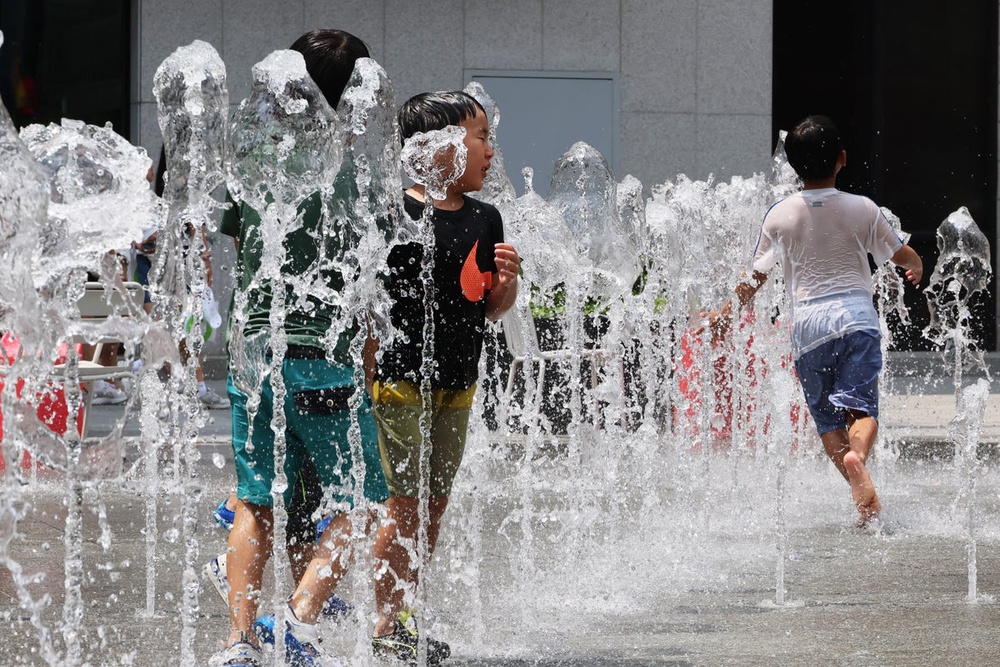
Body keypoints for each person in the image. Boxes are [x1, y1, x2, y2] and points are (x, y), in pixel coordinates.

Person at [209, 29, 389, 667]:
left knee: (255, 499)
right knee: (361, 501)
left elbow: (243, 253)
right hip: (324, 356)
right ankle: (300, 616)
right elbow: (372, 279)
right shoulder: (359, 172)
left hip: (252, 353)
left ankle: (239, 642)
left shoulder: (253, 161)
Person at [709, 115, 922, 527]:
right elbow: (901, 254)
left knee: (827, 420)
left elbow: (755, 277)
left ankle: (861, 495)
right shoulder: (863, 208)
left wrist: (724, 314)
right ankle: (859, 455)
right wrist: (916, 264)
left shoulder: (779, 214)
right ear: (842, 158)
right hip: (856, 320)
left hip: (809, 328)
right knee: (861, 409)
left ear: (792, 167)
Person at [370, 91, 520, 664]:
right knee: (405, 503)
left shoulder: (486, 218)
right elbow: (369, 305)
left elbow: (489, 308)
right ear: (438, 146)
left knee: (433, 504)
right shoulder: (393, 213)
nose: (490, 151)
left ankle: (405, 613)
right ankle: (386, 621)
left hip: (459, 382)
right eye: (480, 137)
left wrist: (506, 285)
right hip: (399, 381)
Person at [133, 149, 230, 410]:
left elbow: (201, 241)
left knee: (190, 331)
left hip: (185, 273)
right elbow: (146, 241)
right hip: (161, 275)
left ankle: (195, 386)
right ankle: (165, 382)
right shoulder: (155, 203)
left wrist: (206, 263)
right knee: (170, 331)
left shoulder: (192, 203)